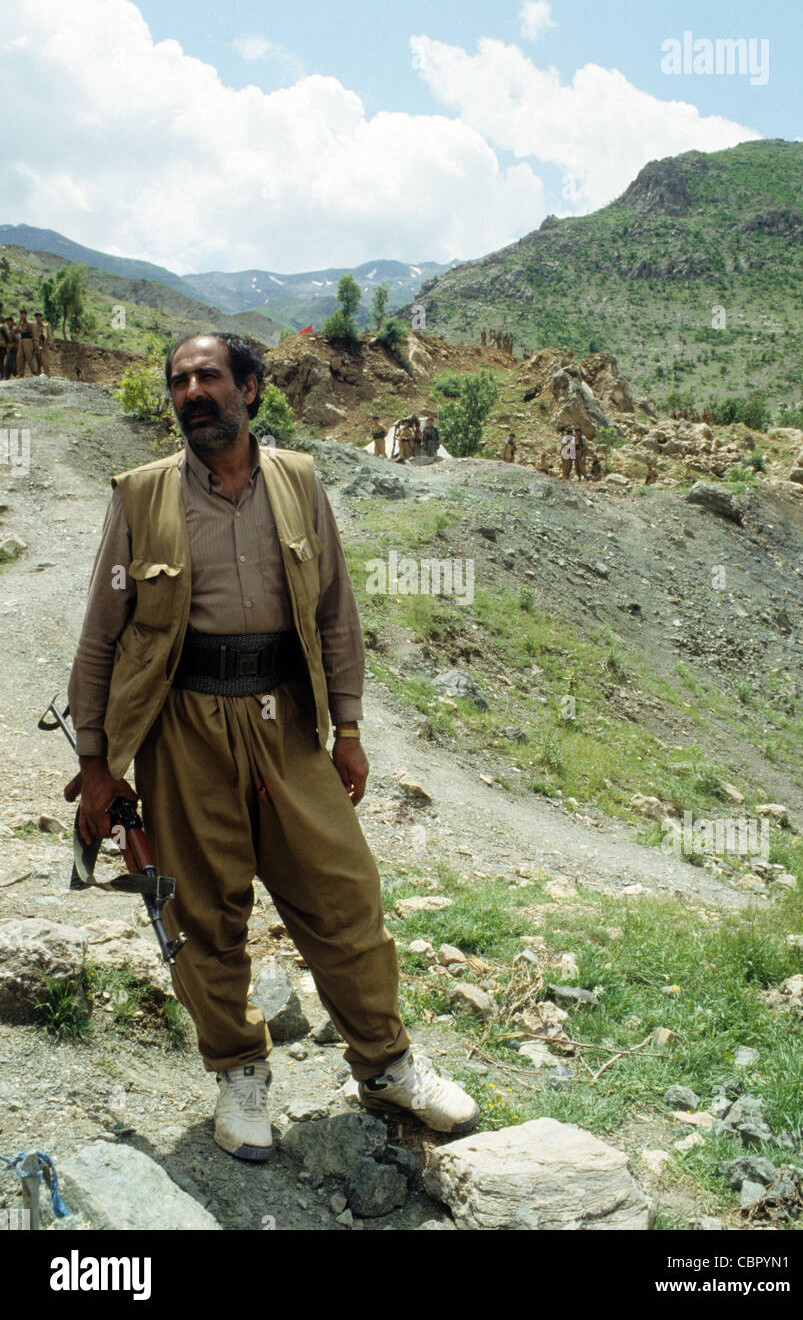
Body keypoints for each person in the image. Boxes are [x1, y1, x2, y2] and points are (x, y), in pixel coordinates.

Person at [64, 332, 479, 1162]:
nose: (191, 393)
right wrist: (97, 763)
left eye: (208, 377)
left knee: (344, 897)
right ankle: (239, 1075)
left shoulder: (298, 482)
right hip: (183, 729)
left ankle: (388, 1063)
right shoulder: (141, 496)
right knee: (203, 911)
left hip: (287, 721)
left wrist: (350, 728)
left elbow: (334, 612)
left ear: (249, 389)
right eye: (178, 382)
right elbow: (101, 637)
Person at [17, 310, 37, 377]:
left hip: (28, 341)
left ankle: (34, 371)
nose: (22, 316)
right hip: (21, 341)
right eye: (21, 314)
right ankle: (21, 373)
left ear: (26, 315)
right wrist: (19, 323)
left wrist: (35, 342)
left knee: (29, 356)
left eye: (23, 314)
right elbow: (15, 331)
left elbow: (34, 333)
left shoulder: (30, 324)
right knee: (20, 357)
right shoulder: (20, 324)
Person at [35, 312, 52, 377]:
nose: (37, 318)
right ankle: (38, 374)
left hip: (44, 345)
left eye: (39, 317)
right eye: (36, 317)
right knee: (37, 361)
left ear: (41, 318)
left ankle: (47, 374)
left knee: (45, 361)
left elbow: (48, 336)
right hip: (36, 345)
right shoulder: (34, 326)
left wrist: (49, 343)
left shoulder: (45, 326)